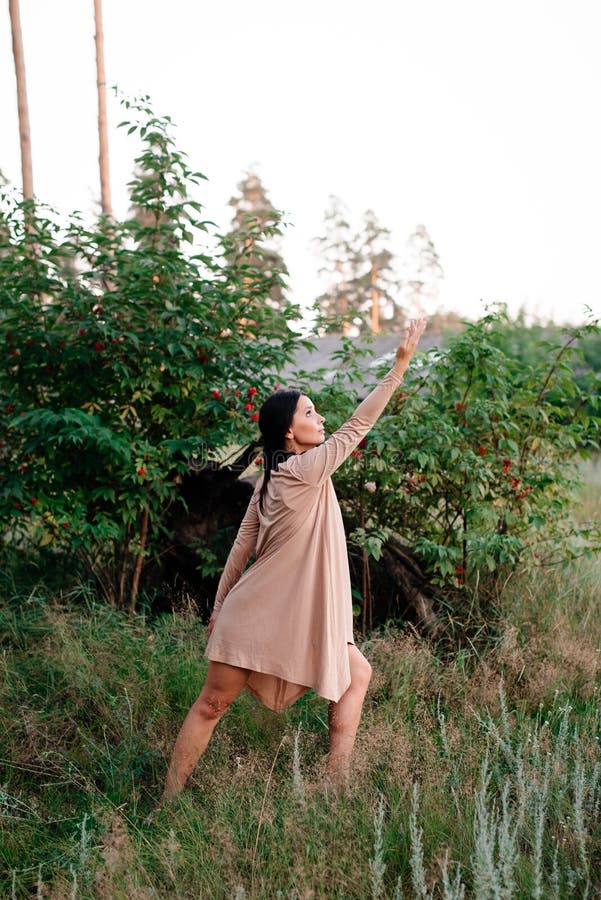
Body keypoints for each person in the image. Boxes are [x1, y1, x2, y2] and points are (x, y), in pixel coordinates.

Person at [162, 318, 426, 800]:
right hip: (255, 615)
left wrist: (218, 606)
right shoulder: (302, 471)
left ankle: (334, 787)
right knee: (212, 705)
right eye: (310, 412)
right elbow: (359, 425)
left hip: (278, 613)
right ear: (289, 431)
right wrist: (399, 367)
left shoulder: (274, 478)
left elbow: (240, 549)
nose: (321, 419)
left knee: (356, 674)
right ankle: (168, 803)